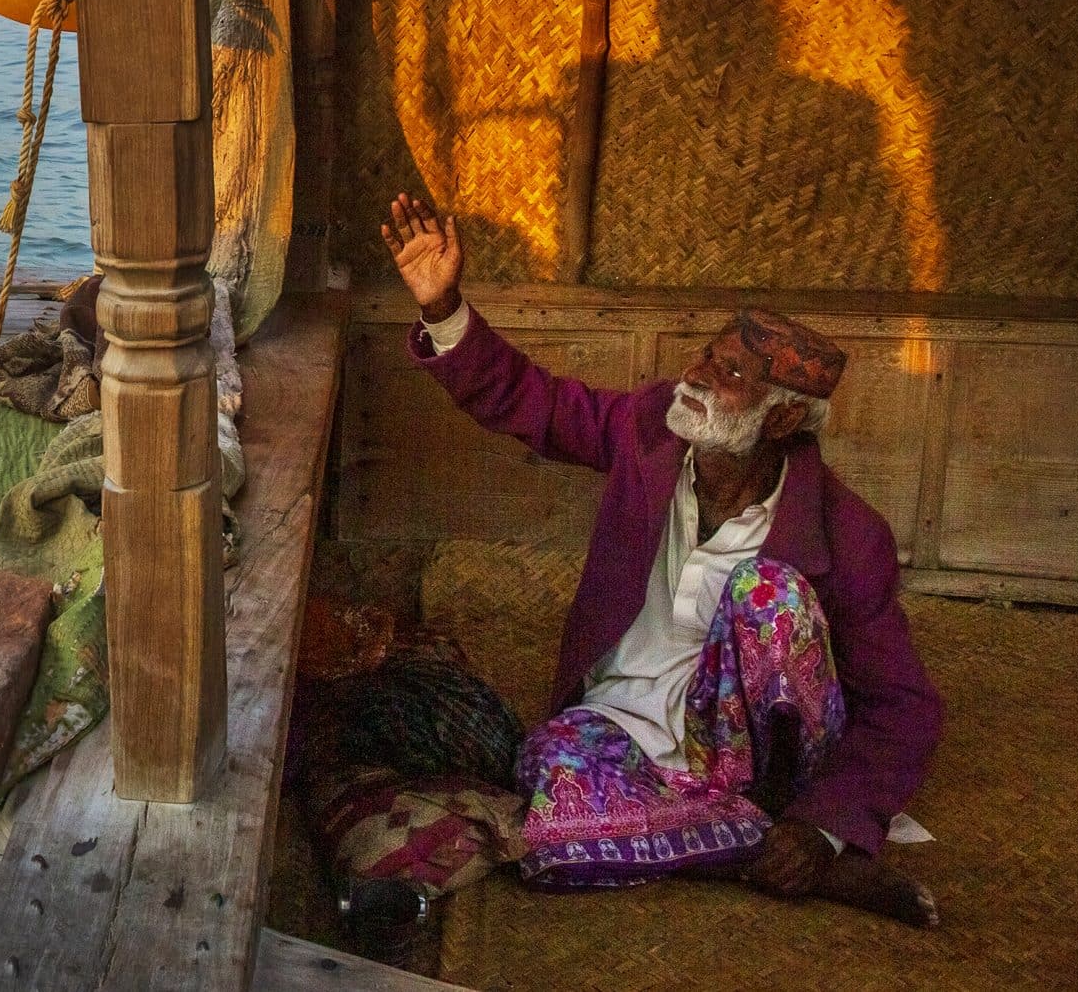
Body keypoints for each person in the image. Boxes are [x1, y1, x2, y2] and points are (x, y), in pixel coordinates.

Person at [380, 194, 941, 927]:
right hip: (626, 723)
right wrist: (445, 306)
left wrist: (825, 814)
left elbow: (905, 709)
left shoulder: (849, 532)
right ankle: (777, 856)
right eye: (708, 353)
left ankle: (768, 829)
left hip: (757, 762)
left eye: (730, 371)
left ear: (781, 417)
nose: (698, 372)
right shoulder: (651, 432)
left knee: (769, 592)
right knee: (547, 811)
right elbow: (538, 404)